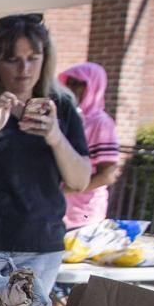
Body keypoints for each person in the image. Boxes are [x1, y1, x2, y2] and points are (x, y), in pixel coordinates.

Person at [0, 14, 91, 299]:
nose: (24, 69)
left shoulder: (62, 107)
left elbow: (80, 180)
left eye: (33, 57)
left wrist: (55, 136)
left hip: (39, 245)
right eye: (12, 59)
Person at [58, 62, 121, 229]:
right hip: (59, 210)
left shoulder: (101, 123)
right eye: (69, 83)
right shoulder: (69, 119)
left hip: (83, 215)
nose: (72, 89)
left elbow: (107, 175)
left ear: (94, 86)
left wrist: (63, 192)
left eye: (79, 84)